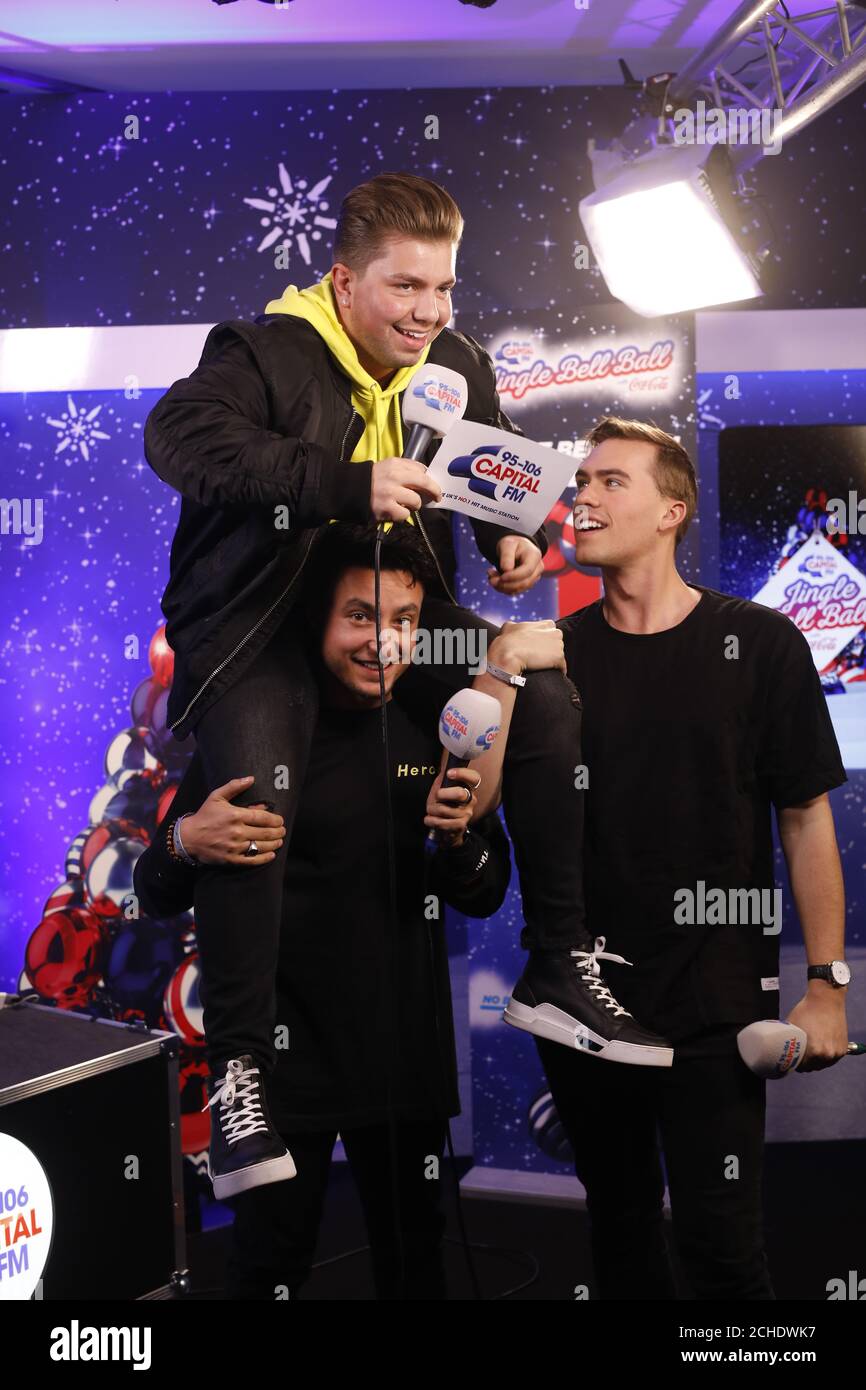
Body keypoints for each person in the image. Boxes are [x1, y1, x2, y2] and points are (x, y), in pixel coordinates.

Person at [143, 174, 670, 1195]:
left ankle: (556, 962)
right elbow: (179, 442)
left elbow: (490, 471)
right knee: (257, 799)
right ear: (344, 282)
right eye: (404, 287)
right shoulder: (261, 354)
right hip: (258, 630)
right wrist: (345, 480)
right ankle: (241, 1069)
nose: (428, 312)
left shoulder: (454, 361)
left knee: (548, 690)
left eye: (444, 288)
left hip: (404, 620)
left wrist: (509, 538)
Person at [484, 415, 851, 1299]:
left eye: (613, 481)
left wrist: (829, 984)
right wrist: (500, 667)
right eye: (583, 483)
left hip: (715, 1005)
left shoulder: (761, 644)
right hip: (587, 1005)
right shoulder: (553, 653)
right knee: (620, 1236)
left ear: (672, 510)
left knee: (724, 1251)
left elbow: (806, 819)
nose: (585, 495)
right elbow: (478, 799)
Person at [133, 522, 527, 1296]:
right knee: (267, 1270)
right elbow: (152, 886)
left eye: (404, 623)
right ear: (318, 617)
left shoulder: (434, 725)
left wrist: (456, 842)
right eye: (360, 617)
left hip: (401, 1055)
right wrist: (186, 838)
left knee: (417, 1265)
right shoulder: (255, 729)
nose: (383, 642)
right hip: (282, 1072)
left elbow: (484, 892)